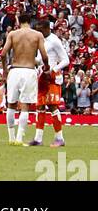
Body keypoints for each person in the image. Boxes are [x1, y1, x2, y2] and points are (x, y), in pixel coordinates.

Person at [1, 11, 50, 146]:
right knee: (25, 106)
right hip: (29, 70)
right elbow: (44, 56)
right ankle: (19, 138)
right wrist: (46, 67)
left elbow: (3, 53)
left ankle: (11, 138)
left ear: (18, 22)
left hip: (15, 70)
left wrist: (5, 70)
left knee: (11, 104)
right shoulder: (37, 35)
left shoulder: (12, 34)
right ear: (30, 22)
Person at [28, 19, 70, 149]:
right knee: (40, 107)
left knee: (53, 107)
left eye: (40, 29)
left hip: (51, 77)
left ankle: (60, 138)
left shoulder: (54, 40)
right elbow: (41, 59)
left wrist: (53, 70)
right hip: (42, 76)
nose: (38, 31)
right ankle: (38, 138)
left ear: (47, 29)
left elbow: (66, 60)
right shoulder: (42, 40)